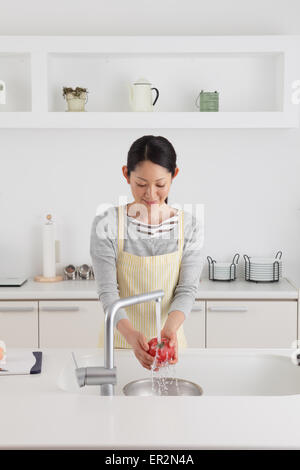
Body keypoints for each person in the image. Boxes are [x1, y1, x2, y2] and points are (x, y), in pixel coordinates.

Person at [90, 135, 204, 371]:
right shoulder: (108, 223)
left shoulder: (189, 226)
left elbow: (186, 289)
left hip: (170, 347)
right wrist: (131, 335)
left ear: (174, 175)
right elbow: (108, 291)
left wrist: (170, 330)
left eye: (160, 184)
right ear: (126, 174)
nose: (151, 194)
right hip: (119, 346)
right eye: (141, 184)